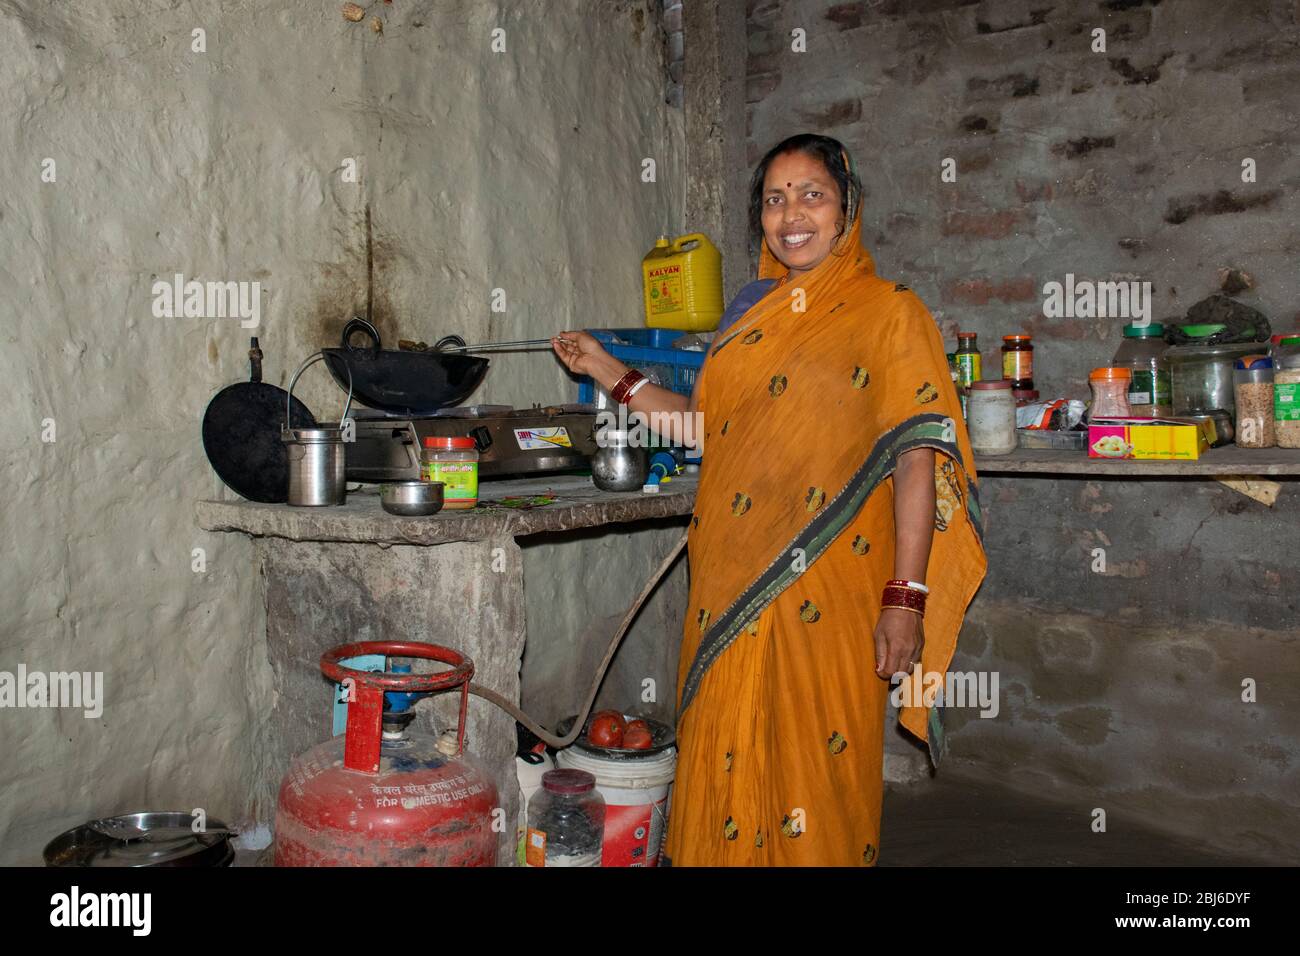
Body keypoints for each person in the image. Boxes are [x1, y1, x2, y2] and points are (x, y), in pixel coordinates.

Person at [551, 133, 987, 865]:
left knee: (817, 762)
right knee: (723, 751)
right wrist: (606, 368)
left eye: (811, 194)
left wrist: (905, 597)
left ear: (847, 209)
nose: (792, 215)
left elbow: (917, 457)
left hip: (833, 582)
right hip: (726, 576)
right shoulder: (751, 313)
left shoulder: (888, 313)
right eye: (775, 199)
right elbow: (702, 425)